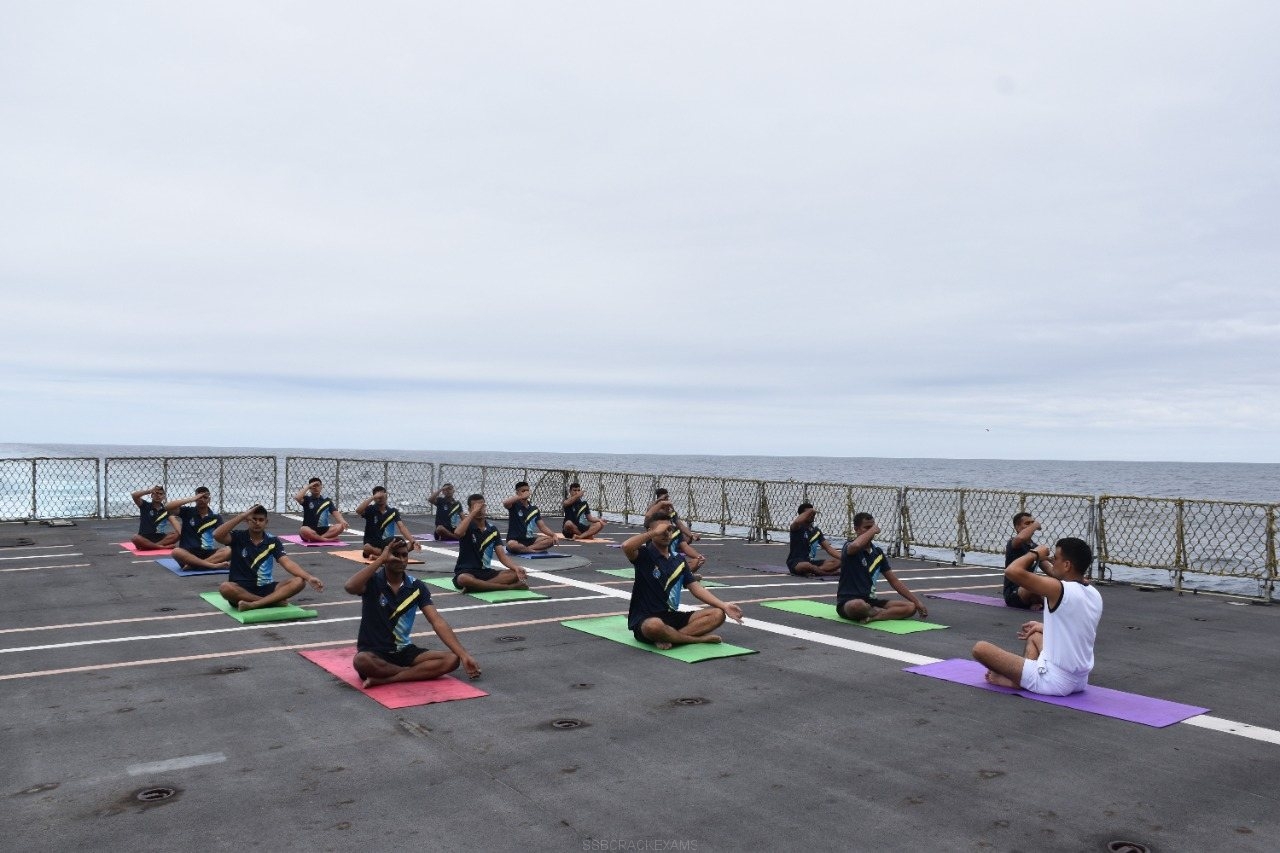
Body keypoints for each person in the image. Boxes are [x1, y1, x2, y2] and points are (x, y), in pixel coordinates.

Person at [973, 537, 1103, 696]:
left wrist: (1034, 553)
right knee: (1035, 635)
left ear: (1067, 565)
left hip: (1055, 681)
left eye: (1056, 558)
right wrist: (1043, 627)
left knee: (980, 649)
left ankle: (1017, 682)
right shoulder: (1093, 593)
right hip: (1079, 680)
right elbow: (1078, 628)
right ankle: (1024, 678)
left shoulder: (1058, 588)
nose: (1052, 561)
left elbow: (1012, 571)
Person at [345, 537, 481, 687]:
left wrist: (464, 655)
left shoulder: (416, 587)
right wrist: (381, 559)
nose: (401, 559)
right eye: (395, 554)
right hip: (375, 652)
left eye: (404, 555)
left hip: (404, 651)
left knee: (452, 659)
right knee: (361, 661)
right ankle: (412, 672)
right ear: (386, 556)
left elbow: (436, 620)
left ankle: (388, 678)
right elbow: (350, 587)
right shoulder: (373, 581)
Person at [623, 513, 743, 649]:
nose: (666, 533)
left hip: (670, 616)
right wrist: (655, 531)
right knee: (654, 626)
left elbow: (695, 587)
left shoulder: (678, 560)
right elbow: (626, 546)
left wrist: (724, 605)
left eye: (669, 529)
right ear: (651, 532)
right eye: (662, 530)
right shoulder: (644, 554)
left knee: (718, 614)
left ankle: (670, 637)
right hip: (645, 619)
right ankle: (695, 639)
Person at [214, 505, 324, 610]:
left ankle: (255, 604)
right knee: (225, 588)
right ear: (247, 521)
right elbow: (217, 535)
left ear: (266, 522)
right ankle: (270, 602)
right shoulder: (237, 537)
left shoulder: (272, 541)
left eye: (261, 520)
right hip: (241, 590)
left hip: (266, 587)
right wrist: (242, 516)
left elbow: (286, 562)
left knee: (299, 581)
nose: (257, 522)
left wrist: (309, 577)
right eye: (254, 519)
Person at [836, 513, 928, 623]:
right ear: (857, 529)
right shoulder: (849, 547)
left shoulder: (877, 553)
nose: (871, 530)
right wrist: (873, 530)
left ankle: (874, 616)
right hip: (849, 602)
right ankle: (876, 612)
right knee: (857, 605)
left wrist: (917, 602)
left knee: (911, 607)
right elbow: (856, 546)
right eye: (867, 528)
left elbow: (894, 581)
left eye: (872, 526)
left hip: (871, 601)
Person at [453, 494, 529, 592]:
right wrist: (473, 512)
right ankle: (508, 587)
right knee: (463, 579)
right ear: (470, 509)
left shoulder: (492, 530)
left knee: (514, 574)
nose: (480, 509)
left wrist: (515, 567)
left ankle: (477, 587)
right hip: (467, 571)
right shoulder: (467, 526)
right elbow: (458, 533)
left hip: (486, 573)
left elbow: (502, 556)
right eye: (476, 507)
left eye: (482, 506)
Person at [167, 487, 231, 570]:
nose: (202, 500)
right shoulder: (188, 511)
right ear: (196, 498)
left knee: (229, 550)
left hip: (207, 553)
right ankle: (211, 565)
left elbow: (223, 535)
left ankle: (196, 566)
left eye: (205, 497)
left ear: (209, 499)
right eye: (199, 497)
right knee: (176, 552)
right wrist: (191, 499)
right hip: (188, 554)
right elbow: (168, 507)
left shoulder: (215, 517)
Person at [644, 489, 706, 573]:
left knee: (697, 560)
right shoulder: (654, 517)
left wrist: (698, 556)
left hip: (672, 554)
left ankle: (687, 576)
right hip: (657, 557)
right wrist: (660, 502)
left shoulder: (673, 519)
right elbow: (648, 515)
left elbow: (684, 545)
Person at [1003, 512, 1050, 610]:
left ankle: (1037, 601)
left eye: (1032, 522)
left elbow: (1050, 570)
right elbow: (1020, 538)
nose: (1031, 525)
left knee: (1048, 582)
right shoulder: (1013, 543)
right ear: (1017, 527)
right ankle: (1039, 601)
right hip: (1014, 592)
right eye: (1027, 523)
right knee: (1031, 585)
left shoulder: (1035, 547)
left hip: (1031, 586)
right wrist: (1036, 525)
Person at [357, 486, 420, 559]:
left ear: (386, 496)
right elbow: (358, 511)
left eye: (382, 495)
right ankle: (388, 555)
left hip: (387, 542)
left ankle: (380, 556)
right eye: (378, 496)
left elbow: (402, 527)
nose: (380, 498)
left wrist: (413, 541)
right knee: (367, 548)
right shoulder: (370, 509)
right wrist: (372, 497)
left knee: (412, 544)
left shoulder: (393, 511)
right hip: (372, 544)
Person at [786, 503, 841, 576]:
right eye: (808, 513)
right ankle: (826, 573)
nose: (812, 514)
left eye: (813, 513)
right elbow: (797, 521)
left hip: (810, 562)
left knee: (839, 562)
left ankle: (816, 571)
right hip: (796, 562)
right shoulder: (796, 527)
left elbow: (828, 548)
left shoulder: (816, 531)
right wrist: (811, 510)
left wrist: (845, 557)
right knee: (806, 565)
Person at [502, 481, 557, 554]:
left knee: (550, 540)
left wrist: (553, 535)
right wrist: (520, 497)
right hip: (515, 540)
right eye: (523, 491)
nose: (526, 492)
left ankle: (528, 550)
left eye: (527, 490)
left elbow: (542, 527)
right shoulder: (514, 505)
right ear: (517, 492)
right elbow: (505, 503)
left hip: (530, 540)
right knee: (512, 545)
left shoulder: (534, 509)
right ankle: (532, 550)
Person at [294, 477, 349, 542]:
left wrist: (342, 521)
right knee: (303, 530)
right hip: (310, 529)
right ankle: (324, 539)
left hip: (324, 530)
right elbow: (297, 497)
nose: (316, 488)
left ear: (321, 487)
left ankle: (320, 538)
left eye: (318, 486)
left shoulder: (327, 500)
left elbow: (335, 512)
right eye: (313, 486)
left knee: (340, 526)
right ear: (310, 488)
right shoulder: (307, 499)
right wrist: (308, 486)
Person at [128, 485, 178, 551]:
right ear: (151, 495)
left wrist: (180, 533)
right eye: (156, 493)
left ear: (164, 497)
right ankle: (161, 547)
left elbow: (175, 523)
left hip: (160, 538)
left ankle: (152, 546)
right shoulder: (145, 505)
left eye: (160, 494)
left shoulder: (166, 510)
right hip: (145, 537)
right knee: (135, 538)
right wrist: (149, 491)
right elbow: (134, 495)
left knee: (177, 534)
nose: (158, 495)